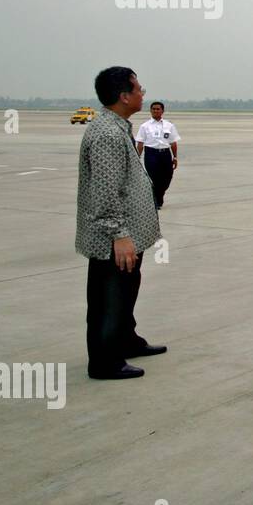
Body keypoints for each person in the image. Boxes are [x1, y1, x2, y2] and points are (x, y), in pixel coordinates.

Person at [76, 67, 168, 380]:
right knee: (109, 298)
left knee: (126, 291)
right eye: (139, 89)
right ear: (123, 96)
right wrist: (120, 235)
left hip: (127, 235)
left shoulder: (118, 127)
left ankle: (126, 339)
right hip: (112, 240)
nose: (144, 93)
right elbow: (105, 193)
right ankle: (104, 362)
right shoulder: (107, 135)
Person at [134, 101, 180, 209]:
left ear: (162, 111)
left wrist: (175, 157)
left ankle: (159, 196)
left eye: (158, 109)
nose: (155, 111)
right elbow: (140, 143)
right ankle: (157, 201)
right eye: (153, 109)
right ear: (150, 111)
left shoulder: (169, 125)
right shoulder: (145, 126)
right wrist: (137, 157)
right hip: (151, 154)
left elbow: (173, 142)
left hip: (165, 154)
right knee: (154, 178)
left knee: (167, 178)